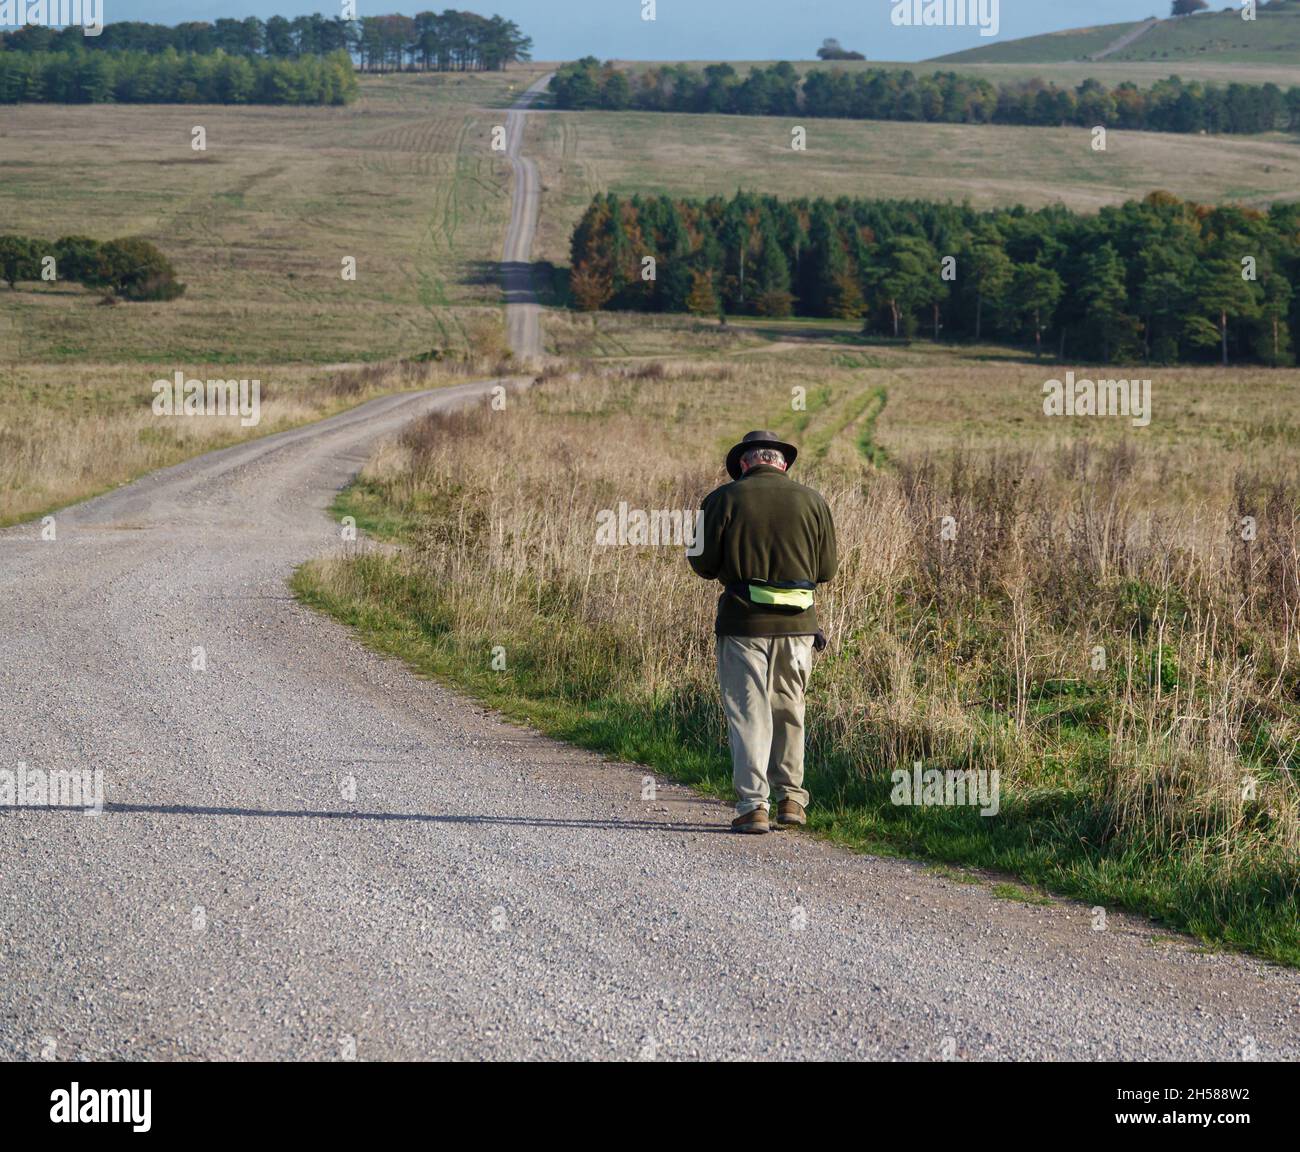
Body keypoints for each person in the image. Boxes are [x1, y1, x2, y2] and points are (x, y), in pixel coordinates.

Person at [688, 431, 838, 834]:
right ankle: (792, 799)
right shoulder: (815, 502)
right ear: (782, 464)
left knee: (749, 714)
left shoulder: (722, 499)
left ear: (743, 464)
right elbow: (826, 571)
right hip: (799, 628)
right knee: (790, 709)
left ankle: (754, 806)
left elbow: (701, 564)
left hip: (743, 625)